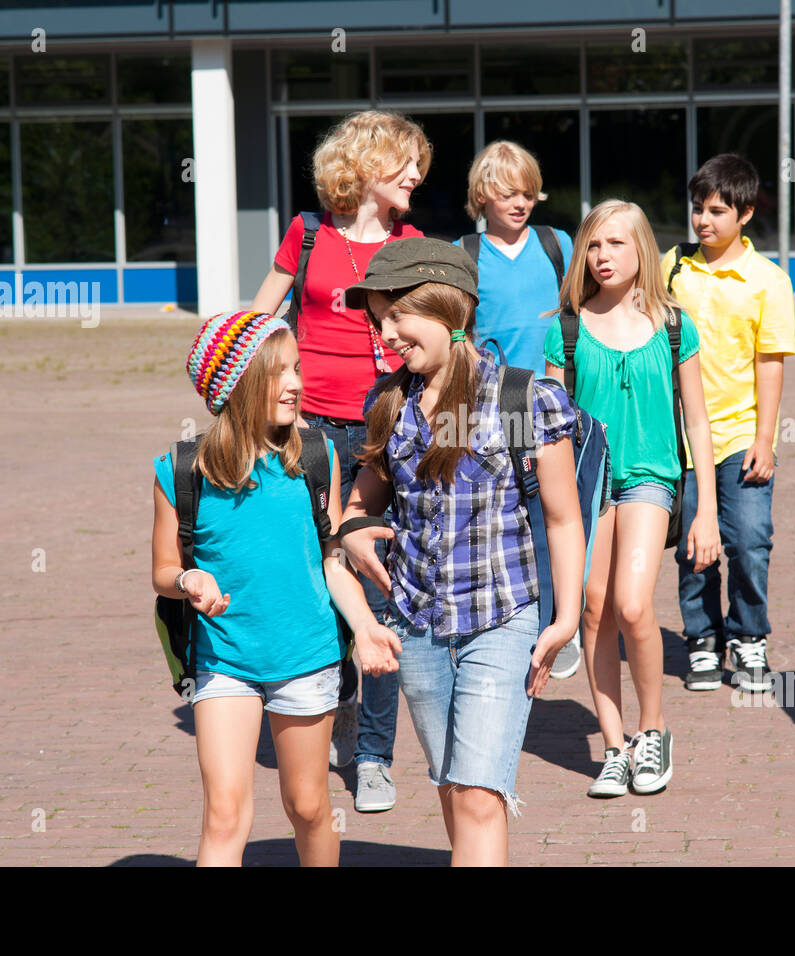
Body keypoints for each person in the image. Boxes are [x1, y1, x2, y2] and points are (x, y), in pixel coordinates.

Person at [339, 238, 585, 865]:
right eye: (377, 319)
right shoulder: (388, 403)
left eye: (397, 315)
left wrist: (565, 619)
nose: (385, 332)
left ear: (449, 308)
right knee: (453, 789)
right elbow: (360, 506)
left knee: (478, 795)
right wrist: (354, 531)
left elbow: (562, 518)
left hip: (501, 621)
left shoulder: (524, 399)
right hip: (415, 626)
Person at [149, 311, 396, 866]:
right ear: (235, 385)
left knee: (308, 807)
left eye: (297, 368)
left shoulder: (317, 456)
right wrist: (189, 578)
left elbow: (333, 559)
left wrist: (365, 625)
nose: (297, 383)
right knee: (224, 814)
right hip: (223, 662)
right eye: (278, 372)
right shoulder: (180, 469)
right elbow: (163, 569)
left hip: (307, 657)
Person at [250, 110, 431, 814]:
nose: (417, 174)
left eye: (421, 163)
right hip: (307, 429)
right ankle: (342, 707)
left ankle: (376, 755)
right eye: (404, 161)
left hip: (384, 425)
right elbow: (261, 322)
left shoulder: (413, 243)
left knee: (383, 583)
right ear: (362, 165)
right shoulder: (308, 234)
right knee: (318, 574)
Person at [543, 199, 722, 798]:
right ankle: (614, 746)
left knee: (634, 605)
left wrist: (707, 511)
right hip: (587, 483)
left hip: (652, 475)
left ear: (641, 248)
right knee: (593, 609)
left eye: (615, 244)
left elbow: (698, 423)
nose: (601, 257)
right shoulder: (564, 329)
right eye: (593, 245)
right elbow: (550, 428)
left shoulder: (675, 325)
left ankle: (654, 731)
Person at [664, 153, 795, 695]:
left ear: (745, 213)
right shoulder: (672, 266)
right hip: (680, 438)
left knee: (749, 539)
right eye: (698, 208)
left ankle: (748, 638)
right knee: (695, 543)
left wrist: (766, 440)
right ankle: (701, 638)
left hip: (742, 433)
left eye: (717, 210)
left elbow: (770, 363)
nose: (703, 220)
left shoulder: (767, 279)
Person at [454, 140, 581, 680]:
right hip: (490, 409)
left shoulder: (557, 244)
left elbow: (584, 314)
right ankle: (499, 621)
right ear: (482, 194)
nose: (521, 202)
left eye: (529, 192)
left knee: (551, 514)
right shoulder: (463, 252)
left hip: (552, 404)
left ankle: (559, 621)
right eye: (508, 192)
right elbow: (456, 331)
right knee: (497, 514)